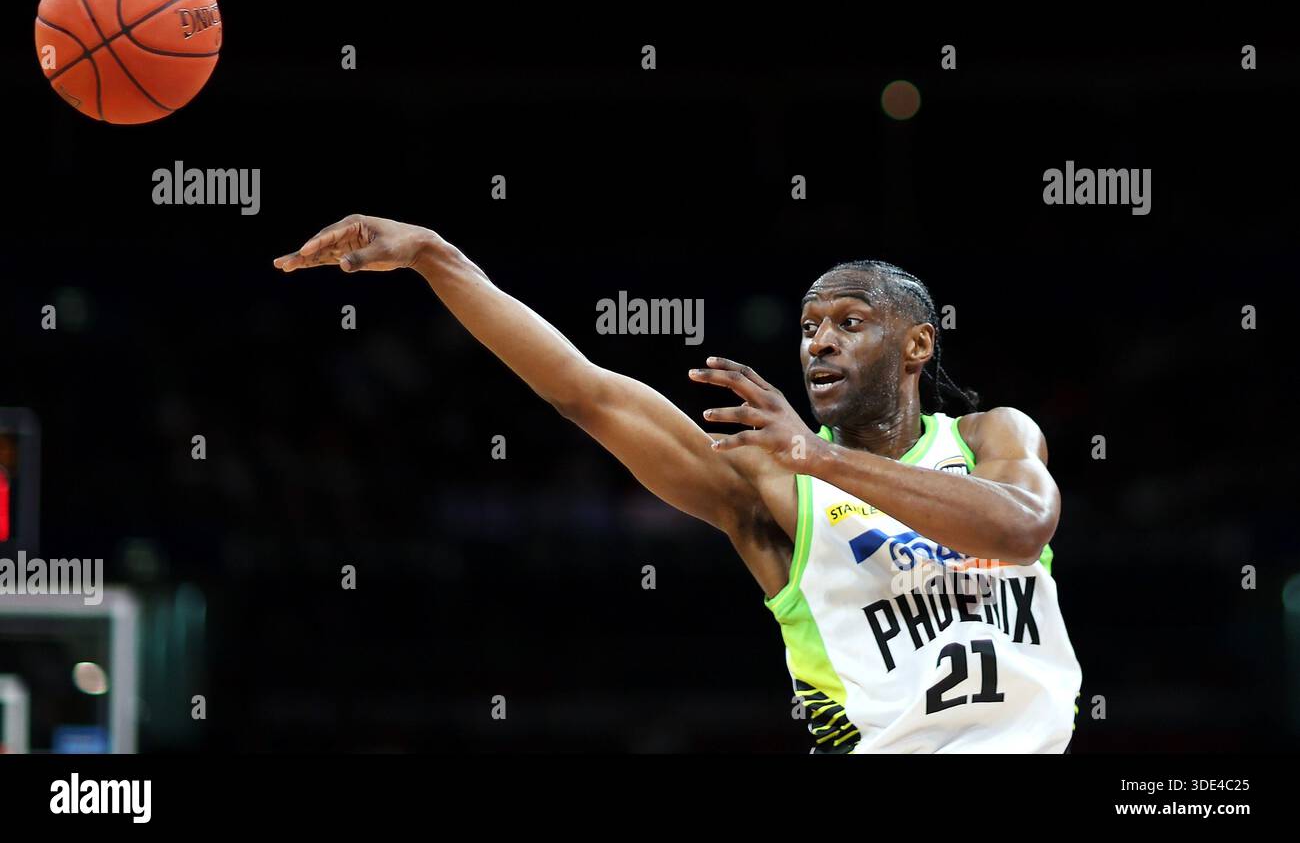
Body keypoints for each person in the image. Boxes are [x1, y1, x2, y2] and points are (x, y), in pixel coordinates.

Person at [274, 215, 1082, 753]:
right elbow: (583, 390)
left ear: (916, 346)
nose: (819, 346)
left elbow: (1020, 530)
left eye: (848, 323)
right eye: (808, 329)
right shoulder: (770, 485)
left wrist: (822, 458)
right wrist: (434, 257)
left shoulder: (990, 437)